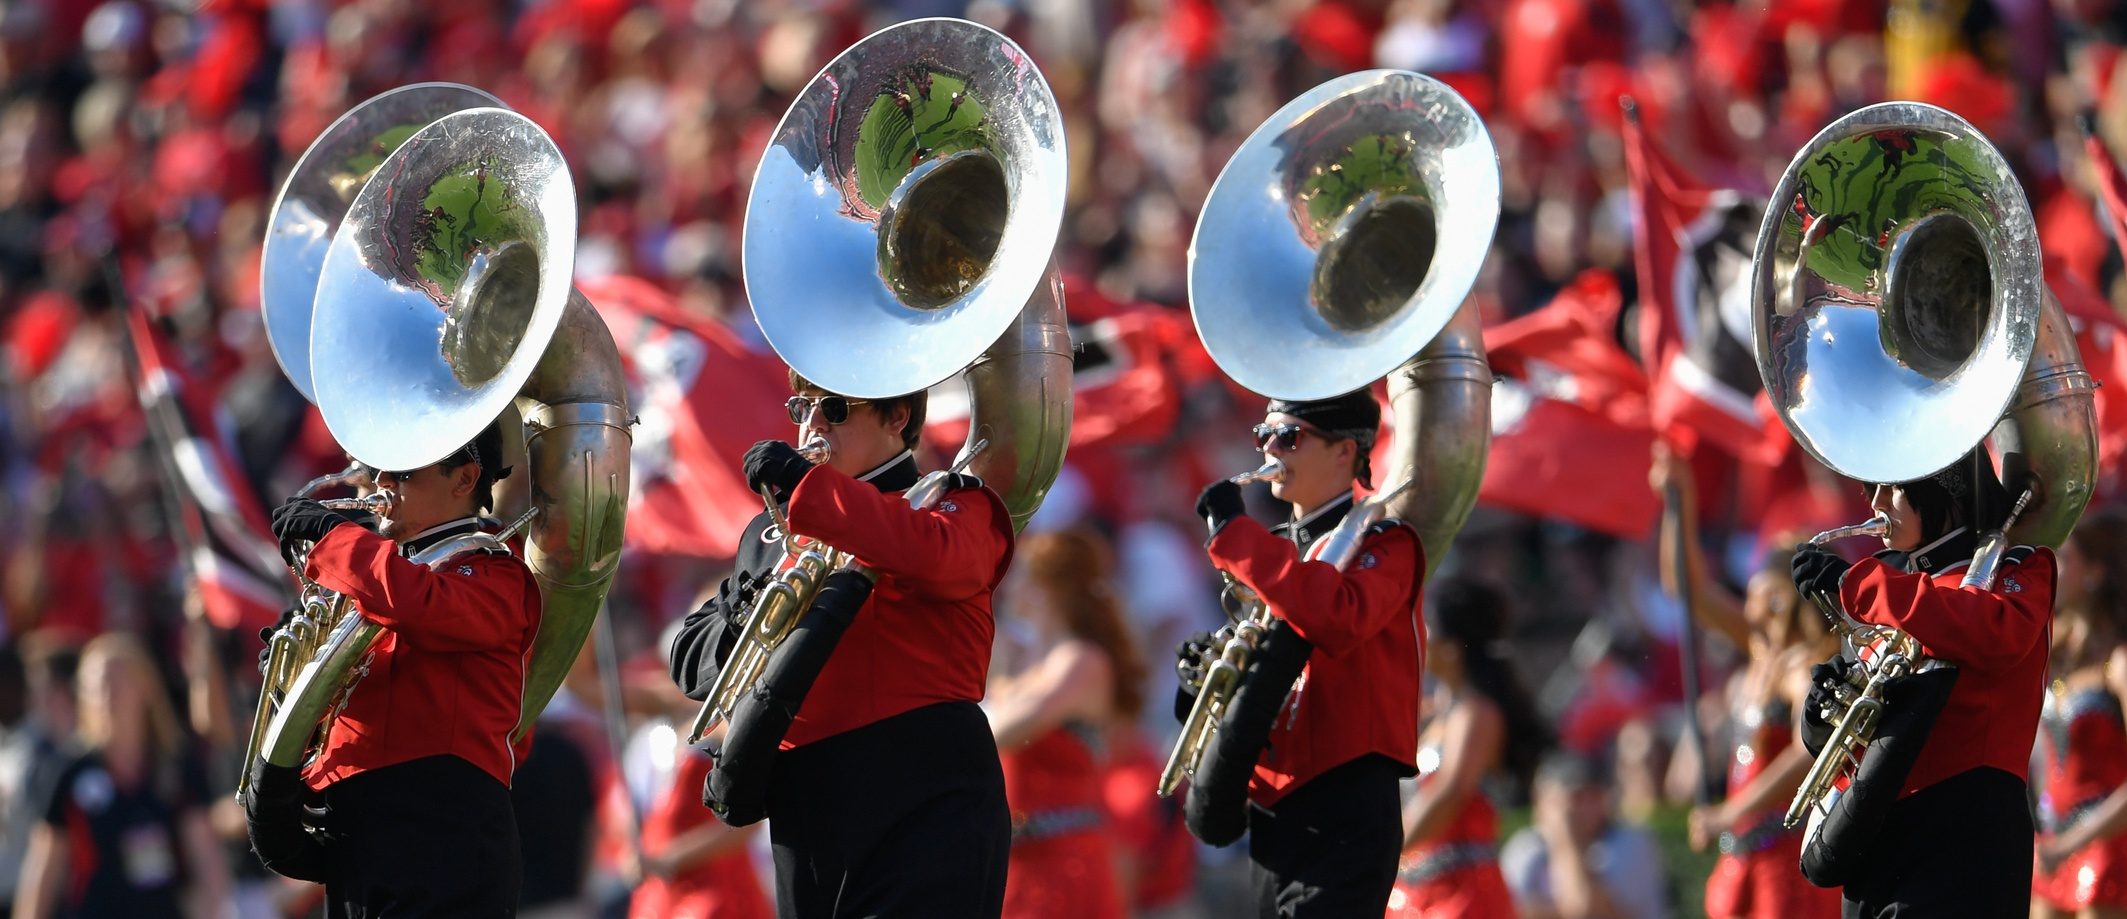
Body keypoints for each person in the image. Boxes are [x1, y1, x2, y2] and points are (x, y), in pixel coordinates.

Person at [669, 371, 1015, 916]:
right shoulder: (773, 535)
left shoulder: (953, 504)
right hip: (805, 800)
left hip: (926, 788)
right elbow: (691, 664)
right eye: (800, 407)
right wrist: (749, 601)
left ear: (897, 416)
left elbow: (936, 557)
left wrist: (810, 489)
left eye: (833, 407)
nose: (812, 424)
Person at [245, 422, 541, 916]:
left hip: (444, 835)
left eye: (403, 471)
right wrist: (293, 680)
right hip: (359, 841)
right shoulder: (369, 589)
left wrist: (333, 539)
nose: (381, 479)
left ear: (465, 479)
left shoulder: (496, 573)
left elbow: (420, 604)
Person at [1182, 391, 1424, 917]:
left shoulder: (1385, 544)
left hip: (1346, 807)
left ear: (1344, 451)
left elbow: (1338, 615)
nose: (1269, 448)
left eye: (1288, 437)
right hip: (1273, 817)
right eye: (1262, 436)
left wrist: (1237, 537)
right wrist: (1202, 685)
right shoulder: (1275, 554)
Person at [1788, 449, 2054, 915]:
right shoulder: (1892, 587)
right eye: (1870, 489)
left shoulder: (2020, 570)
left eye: (1892, 488)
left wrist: (1861, 586)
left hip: (1965, 839)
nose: (1875, 504)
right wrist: (1821, 720)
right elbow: (1863, 734)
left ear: (1943, 489)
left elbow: (1987, 631)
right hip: (1873, 840)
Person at [1650, 448, 1840, 919]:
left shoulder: (1805, 669)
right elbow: (1686, 589)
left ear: (1798, 601)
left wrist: (1730, 813)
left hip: (1784, 861)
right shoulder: (1761, 654)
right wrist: (1681, 503)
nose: (1756, 610)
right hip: (1743, 858)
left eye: (1769, 596)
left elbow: (1808, 751)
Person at [14, 632, 232, 918]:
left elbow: (207, 862)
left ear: (145, 688)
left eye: (117, 682)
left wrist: (209, 907)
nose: (107, 696)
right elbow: (43, 870)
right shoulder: (69, 772)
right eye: (96, 686)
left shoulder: (176, 769)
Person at [986, 528, 1140, 919]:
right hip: (1018, 865)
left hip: (1064, 867)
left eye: (1021, 573)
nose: (1011, 583)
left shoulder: (1083, 661)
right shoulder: (1029, 663)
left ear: (1046, 586)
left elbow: (998, 731)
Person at [1387, 578, 1542, 919]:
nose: (1419, 634)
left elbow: (1451, 792)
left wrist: (1382, 855)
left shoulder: (1477, 714)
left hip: (1464, 897)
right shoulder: (1439, 715)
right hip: (1413, 895)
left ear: (1451, 647)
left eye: (1426, 625)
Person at [2034, 509, 2127, 919]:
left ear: (2094, 572)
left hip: (2107, 852)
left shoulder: (2119, 663)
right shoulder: (2058, 655)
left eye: (2063, 558)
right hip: (2052, 846)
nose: (2050, 569)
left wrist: (2074, 842)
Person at [1498, 751, 1672, 919]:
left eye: (1592, 796)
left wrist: (1567, 838)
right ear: (1540, 800)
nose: (1584, 808)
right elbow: (1507, 912)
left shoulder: (1632, 841)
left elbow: (1585, 909)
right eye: (1575, 797)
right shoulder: (1524, 846)